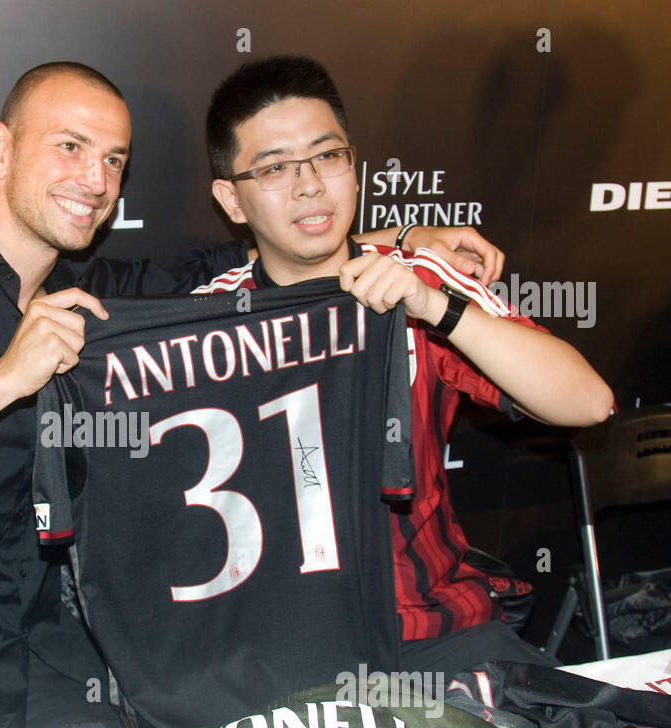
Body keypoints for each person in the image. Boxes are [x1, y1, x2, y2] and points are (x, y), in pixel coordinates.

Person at [0, 60, 513, 728]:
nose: (95, 181)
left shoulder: (98, 293)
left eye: (114, 160)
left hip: (42, 658)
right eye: (70, 146)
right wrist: (1, 382)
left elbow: (281, 250)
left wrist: (408, 240)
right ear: (1, 149)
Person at [196, 56, 615, 673]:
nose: (309, 184)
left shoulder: (422, 282)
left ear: (354, 165)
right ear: (232, 199)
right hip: (277, 647)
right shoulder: (209, 318)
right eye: (275, 168)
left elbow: (588, 401)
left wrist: (433, 306)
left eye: (327, 156)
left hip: (434, 630)